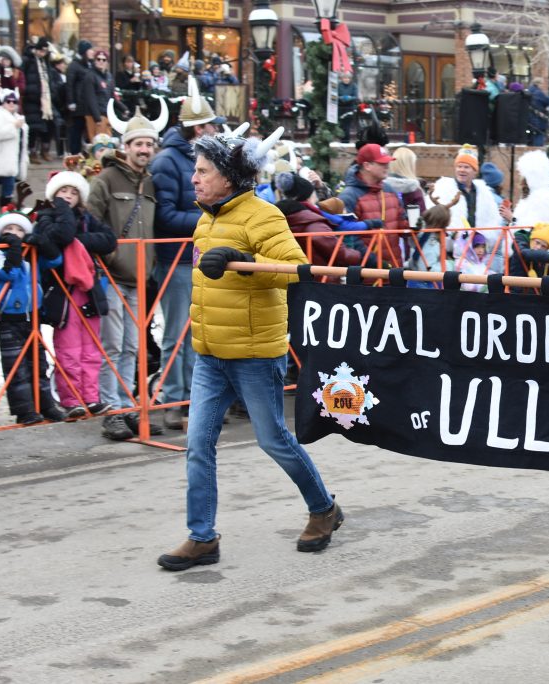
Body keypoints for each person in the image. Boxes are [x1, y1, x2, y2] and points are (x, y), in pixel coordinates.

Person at [156, 126, 343, 571]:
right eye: (194, 170)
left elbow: (295, 269)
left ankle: (323, 509)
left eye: (202, 171)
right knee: (197, 445)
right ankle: (202, 537)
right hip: (210, 354)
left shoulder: (264, 215)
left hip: (256, 355)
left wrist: (243, 266)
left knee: (273, 440)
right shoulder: (207, 218)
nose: (194, 178)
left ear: (227, 176)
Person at [150, 79, 227, 430]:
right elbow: (163, 216)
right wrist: (207, 218)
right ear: (198, 128)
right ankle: (174, 401)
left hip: (202, 258)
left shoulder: (206, 158)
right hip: (177, 260)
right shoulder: (167, 160)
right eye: (212, 125)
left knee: (203, 334)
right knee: (177, 335)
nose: (217, 130)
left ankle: (199, 402)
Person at [89, 105, 166, 440]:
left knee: (133, 346)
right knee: (113, 346)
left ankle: (126, 403)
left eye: (149, 144)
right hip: (110, 276)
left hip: (138, 278)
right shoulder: (105, 179)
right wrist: (105, 256)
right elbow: (88, 223)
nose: (144, 149)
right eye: (138, 144)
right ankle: (112, 410)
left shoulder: (148, 182)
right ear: (126, 145)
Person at [36, 170, 117, 419]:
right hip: (63, 291)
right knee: (68, 349)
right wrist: (61, 209)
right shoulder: (45, 217)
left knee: (91, 348)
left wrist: (79, 241)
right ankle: (71, 399)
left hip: (88, 290)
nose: (68, 196)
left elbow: (108, 240)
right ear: (53, 194)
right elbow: (62, 235)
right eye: (63, 191)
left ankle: (91, 397)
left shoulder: (86, 217)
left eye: (73, 192)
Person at [0, 210, 67, 424]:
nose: (14, 233)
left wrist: (41, 242)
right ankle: (24, 410)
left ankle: (45, 404)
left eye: (20, 230)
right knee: (16, 366)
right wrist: (12, 247)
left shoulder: (30, 252)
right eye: (9, 229)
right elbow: (8, 273)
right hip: (9, 317)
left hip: (32, 316)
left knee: (38, 362)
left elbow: (56, 260)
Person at [337, 143, 406, 270]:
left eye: (387, 163)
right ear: (367, 165)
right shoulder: (348, 196)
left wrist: (415, 224)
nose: (387, 166)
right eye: (381, 163)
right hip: (367, 276)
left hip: (394, 271)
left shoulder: (389, 190)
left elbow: (401, 224)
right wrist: (376, 264)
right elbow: (350, 239)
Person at [275, 176, 362, 267]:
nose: (316, 198)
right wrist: (359, 255)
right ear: (308, 198)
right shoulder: (314, 224)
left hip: (288, 274)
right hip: (319, 277)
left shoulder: (278, 217)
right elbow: (341, 255)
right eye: (314, 194)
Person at [0, 89, 29, 207]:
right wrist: (14, 126)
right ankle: (6, 208)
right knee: (8, 186)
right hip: (3, 159)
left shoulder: (17, 116)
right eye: (8, 101)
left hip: (14, 158)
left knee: (10, 186)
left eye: (14, 101)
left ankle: (9, 205)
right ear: (3, 102)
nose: (11, 103)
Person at [21, 37, 55, 164]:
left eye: (45, 51)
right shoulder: (28, 60)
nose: (43, 53)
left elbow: (48, 79)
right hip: (32, 99)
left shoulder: (45, 62)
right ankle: (32, 152)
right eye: (41, 50)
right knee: (34, 128)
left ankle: (44, 150)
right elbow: (23, 77)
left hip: (45, 100)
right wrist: (29, 92)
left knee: (48, 126)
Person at [65, 40, 95, 153]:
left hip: (88, 105)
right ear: (84, 51)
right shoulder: (74, 66)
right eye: (90, 50)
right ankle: (74, 154)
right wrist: (71, 102)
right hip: (78, 105)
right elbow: (69, 85)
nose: (92, 52)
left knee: (87, 131)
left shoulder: (89, 64)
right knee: (76, 131)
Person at [527, 76, 549, 147]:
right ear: (538, 84)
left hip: (529, 119)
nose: (543, 86)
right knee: (539, 136)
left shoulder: (529, 91)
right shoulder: (538, 93)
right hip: (538, 119)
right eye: (542, 84)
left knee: (531, 138)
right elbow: (547, 101)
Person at [336, 71, 358, 143]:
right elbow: (335, 95)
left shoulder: (354, 85)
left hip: (349, 108)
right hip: (340, 108)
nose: (346, 79)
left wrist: (349, 98)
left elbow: (355, 96)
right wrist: (341, 98)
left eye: (348, 78)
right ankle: (341, 139)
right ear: (342, 78)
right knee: (341, 125)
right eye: (345, 78)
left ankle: (346, 141)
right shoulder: (338, 85)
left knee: (347, 126)